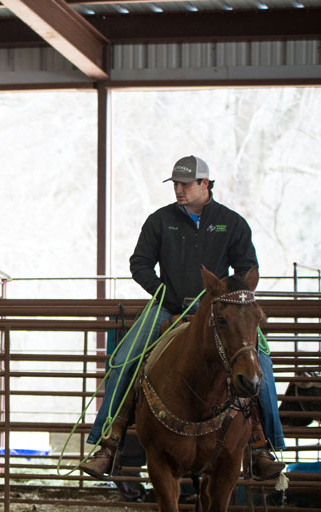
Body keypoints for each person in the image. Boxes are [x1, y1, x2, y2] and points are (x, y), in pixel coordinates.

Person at [80, 155, 285, 481]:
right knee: (124, 357)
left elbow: (246, 268)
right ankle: (108, 441)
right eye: (175, 184)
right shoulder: (160, 221)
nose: (179, 189)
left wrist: (228, 297)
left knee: (261, 361)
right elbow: (140, 263)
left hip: (220, 310)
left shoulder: (232, 223)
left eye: (185, 184)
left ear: (205, 184)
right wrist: (166, 293)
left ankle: (263, 446)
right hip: (167, 305)